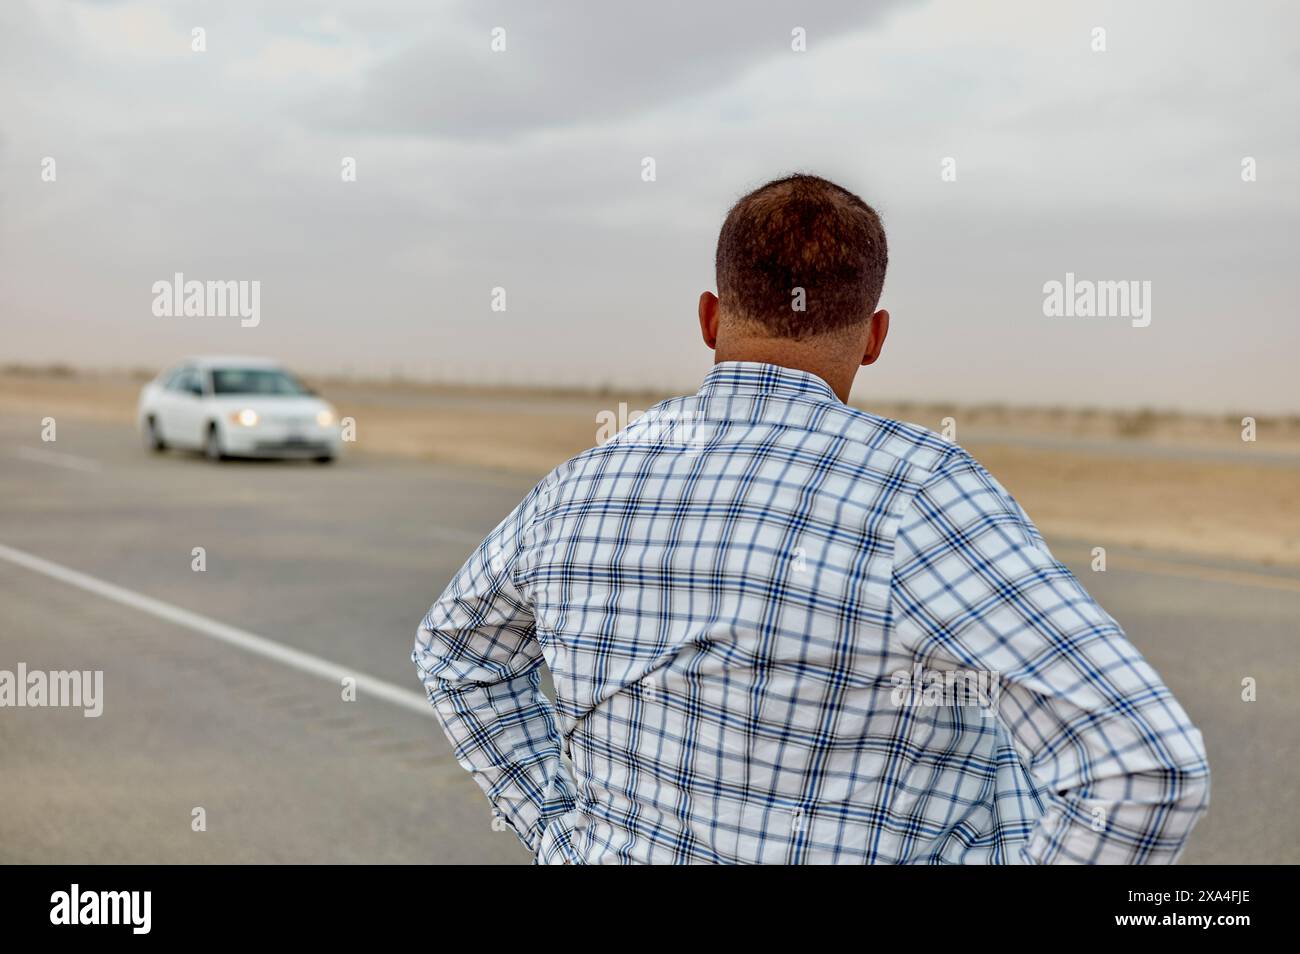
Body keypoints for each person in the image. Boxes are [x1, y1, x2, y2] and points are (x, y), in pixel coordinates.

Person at [413, 173, 1209, 864]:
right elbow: (1143, 766)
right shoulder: (917, 492)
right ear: (873, 337)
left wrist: (560, 832)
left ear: (710, 317)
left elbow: (456, 652)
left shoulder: (580, 485)